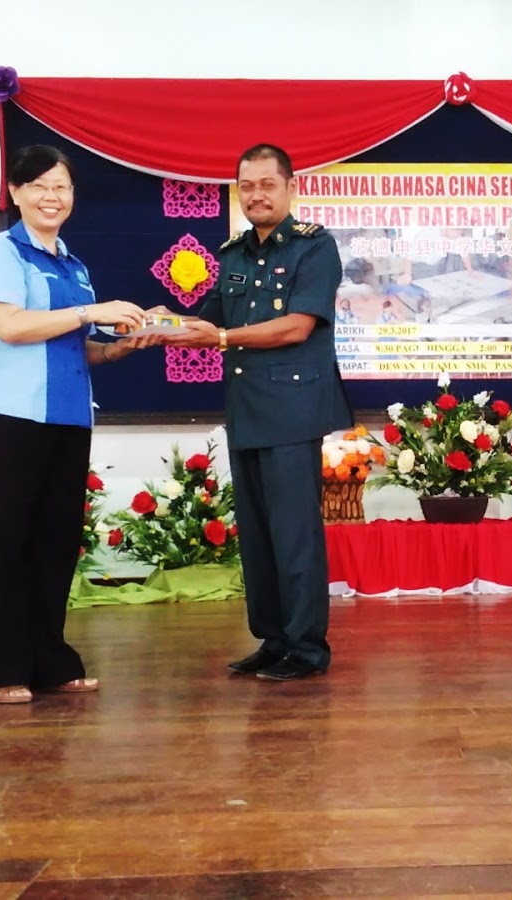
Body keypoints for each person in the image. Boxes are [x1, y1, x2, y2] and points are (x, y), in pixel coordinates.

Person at [0, 144, 166, 703]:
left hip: (68, 419)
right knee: (9, 543)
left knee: (56, 545)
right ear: (15, 193)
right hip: (13, 418)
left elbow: (82, 350)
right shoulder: (3, 251)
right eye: (38, 186)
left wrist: (122, 347)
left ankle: (51, 661)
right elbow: (8, 326)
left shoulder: (73, 263)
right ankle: (4, 669)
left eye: (61, 187)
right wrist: (91, 312)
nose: (51, 197)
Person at [167, 144, 351, 681]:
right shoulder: (233, 254)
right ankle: (274, 639)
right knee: (259, 536)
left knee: (294, 536)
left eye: (267, 184)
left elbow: (296, 326)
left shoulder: (315, 249)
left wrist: (220, 336)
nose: (256, 195)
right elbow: (206, 321)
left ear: (290, 188)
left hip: (293, 412)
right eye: (247, 186)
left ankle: (308, 648)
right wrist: (158, 325)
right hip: (247, 411)